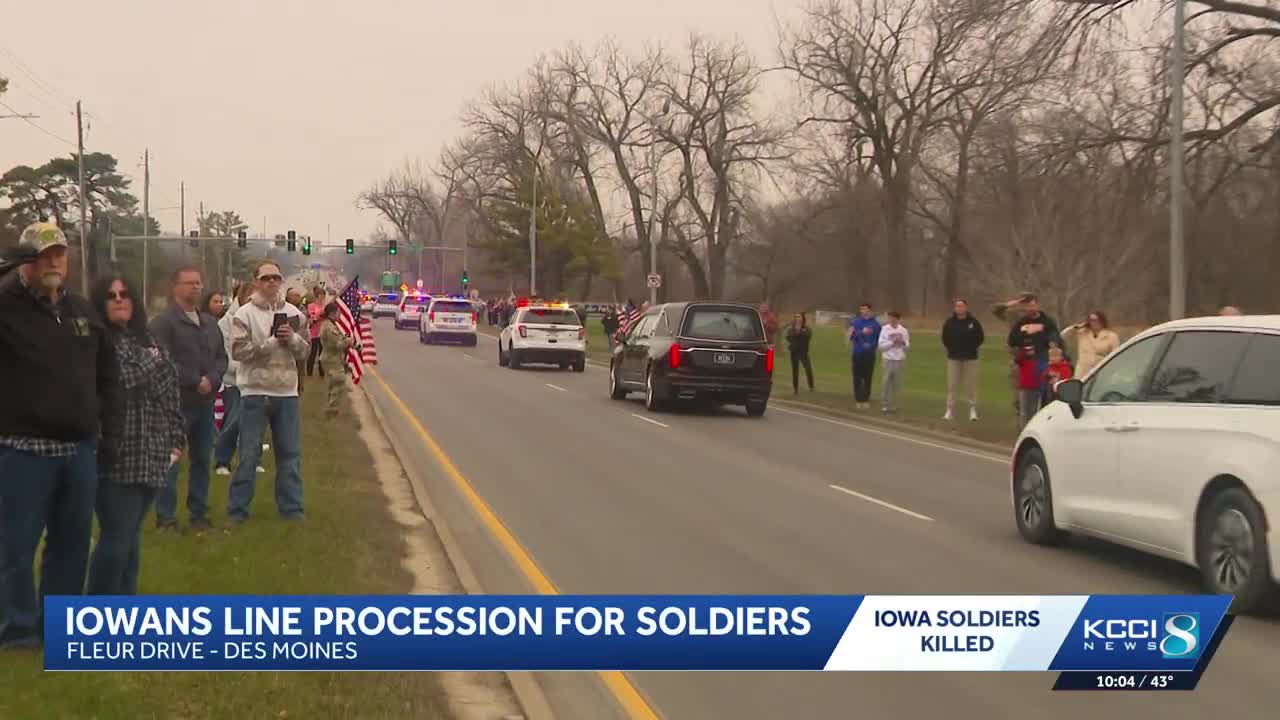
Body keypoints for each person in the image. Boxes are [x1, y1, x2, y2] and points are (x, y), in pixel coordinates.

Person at [0, 221, 122, 648]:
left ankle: (59, 627)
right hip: (21, 451)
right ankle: (17, 629)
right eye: (46, 255)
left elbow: (107, 373)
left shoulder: (82, 310)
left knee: (71, 544)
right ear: (26, 261)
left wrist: (107, 430)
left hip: (79, 449)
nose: (55, 262)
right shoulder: (5, 304)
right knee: (15, 546)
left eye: (61, 254)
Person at [87, 273, 184, 596]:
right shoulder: (97, 341)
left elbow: (170, 389)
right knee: (115, 542)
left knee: (130, 545)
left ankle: (125, 613)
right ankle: (97, 614)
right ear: (101, 303)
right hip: (117, 455)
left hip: (154, 454)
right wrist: (153, 363)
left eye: (125, 294)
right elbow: (126, 377)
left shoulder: (145, 340)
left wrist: (177, 439)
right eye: (111, 295)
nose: (119, 299)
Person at [226, 261, 309, 524]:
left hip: (286, 392)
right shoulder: (245, 314)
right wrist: (272, 342)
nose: (272, 283)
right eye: (266, 278)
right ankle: (237, 512)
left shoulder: (295, 313)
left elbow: (305, 351)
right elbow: (239, 351)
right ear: (256, 282)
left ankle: (292, 510)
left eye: (276, 278)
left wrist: (292, 339)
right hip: (254, 392)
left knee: (290, 454)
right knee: (249, 454)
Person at [149, 266, 227, 533]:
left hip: (205, 405)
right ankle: (166, 519)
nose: (196, 287)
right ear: (175, 287)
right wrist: (196, 381)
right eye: (189, 283)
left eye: (198, 283)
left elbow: (221, 358)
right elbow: (162, 360)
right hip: (175, 405)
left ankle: (199, 515)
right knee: (170, 463)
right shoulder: (163, 323)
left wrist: (213, 379)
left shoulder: (210, 323)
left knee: (203, 460)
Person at [214, 283, 265, 477]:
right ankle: (222, 461)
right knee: (232, 423)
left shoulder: (261, 319)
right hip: (234, 381)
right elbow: (225, 355)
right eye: (252, 299)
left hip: (258, 382)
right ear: (242, 298)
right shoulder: (226, 323)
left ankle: (253, 460)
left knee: (255, 425)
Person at [1005, 295, 1061, 413]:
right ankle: (1022, 420)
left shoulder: (1047, 321)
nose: (1031, 308)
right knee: (1025, 397)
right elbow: (1012, 340)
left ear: (1038, 305)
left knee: (1045, 393)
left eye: (1033, 305)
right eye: (1028, 306)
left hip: (1043, 360)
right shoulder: (1021, 322)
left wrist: (1052, 342)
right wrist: (1023, 340)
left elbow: (1054, 335)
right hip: (1025, 363)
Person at [941, 299, 985, 421]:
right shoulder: (950, 322)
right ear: (955, 308)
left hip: (970, 358)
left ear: (966, 307)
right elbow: (945, 338)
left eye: (961, 306)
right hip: (954, 357)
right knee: (952, 384)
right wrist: (952, 348)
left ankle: (972, 409)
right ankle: (949, 410)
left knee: (970, 384)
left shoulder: (973, 322)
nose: (959, 308)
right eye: (957, 306)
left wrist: (971, 348)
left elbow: (980, 338)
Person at [319, 302, 357, 418]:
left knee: (333, 384)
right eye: (338, 313)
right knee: (338, 382)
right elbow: (337, 345)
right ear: (332, 314)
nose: (340, 316)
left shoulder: (330, 324)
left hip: (333, 358)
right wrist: (348, 342)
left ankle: (331, 409)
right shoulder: (329, 327)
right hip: (331, 359)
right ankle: (332, 410)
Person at [1060, 309, 1120, 377]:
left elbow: (1116, 355)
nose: (1094, 323)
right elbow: (1063, 335)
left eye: (1097, 320)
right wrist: (1077, 327)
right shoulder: (1082, 332)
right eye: (1091, 320)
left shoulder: (1111, 336)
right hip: (1083, 371)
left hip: (1100, 370)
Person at [848, 303, 881, 409]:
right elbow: (851, 336)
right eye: (861, 309)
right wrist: (861, 332)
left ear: (870, 310)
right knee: (857, 377)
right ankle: (858, 399)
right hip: (857, 353)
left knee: (867, 377)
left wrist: (871, 345)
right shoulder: (855, 322)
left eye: (865, 309)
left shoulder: (876, 324)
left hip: (869, 354)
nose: (863, 311)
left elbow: (879, 339)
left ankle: (866, 399)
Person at [877, 311, 910, 413]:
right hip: (888, 359)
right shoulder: (884, 329)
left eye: (893, 318)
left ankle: (894, 405)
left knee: (896, 383)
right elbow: (881, 347)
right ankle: (885, 405)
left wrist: (903, 343)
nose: (891, 320)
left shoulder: (903, 330)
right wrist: (892, 342)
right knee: (886, 382)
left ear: (897, 319)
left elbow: (907, 347)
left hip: (899, 359)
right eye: (889, 318)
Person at [785, 312, 814, 394]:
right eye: (796, 316)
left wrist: (799, 331)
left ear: (802, 318)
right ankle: (795, 389)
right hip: (794, 352)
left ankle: (811, 386)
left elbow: (808, 336)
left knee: (808, 368)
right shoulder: (791, 328)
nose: (797, 318)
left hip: (803, 352)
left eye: (799, 316)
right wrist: (795, 336)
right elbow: (788, 337)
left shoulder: (806, 328)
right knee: (795, 370)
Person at [1015, 343, 1041, 428]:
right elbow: (1017, 359)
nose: (1030, 352)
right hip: (1024, 388)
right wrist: (1024, 350)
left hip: (1035, 387)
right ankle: (1023, 429)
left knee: (1033, 411)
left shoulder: (1037, 360)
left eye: (1031, 350)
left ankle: (1031, 428)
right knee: (1024, 411)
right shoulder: (1022, 360)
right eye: (1028, 350)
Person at [306, 285, 327, 378]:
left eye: (324, 295)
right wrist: (320, 314)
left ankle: (322, 372)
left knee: (322, 353)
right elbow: (312, 317)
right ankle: (309, 372)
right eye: (321, 295)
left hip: (323, 332)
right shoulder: (311, 306)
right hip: (314, 332)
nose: (323, 297)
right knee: (313, 352)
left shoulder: (325, 306)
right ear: (317, 295)